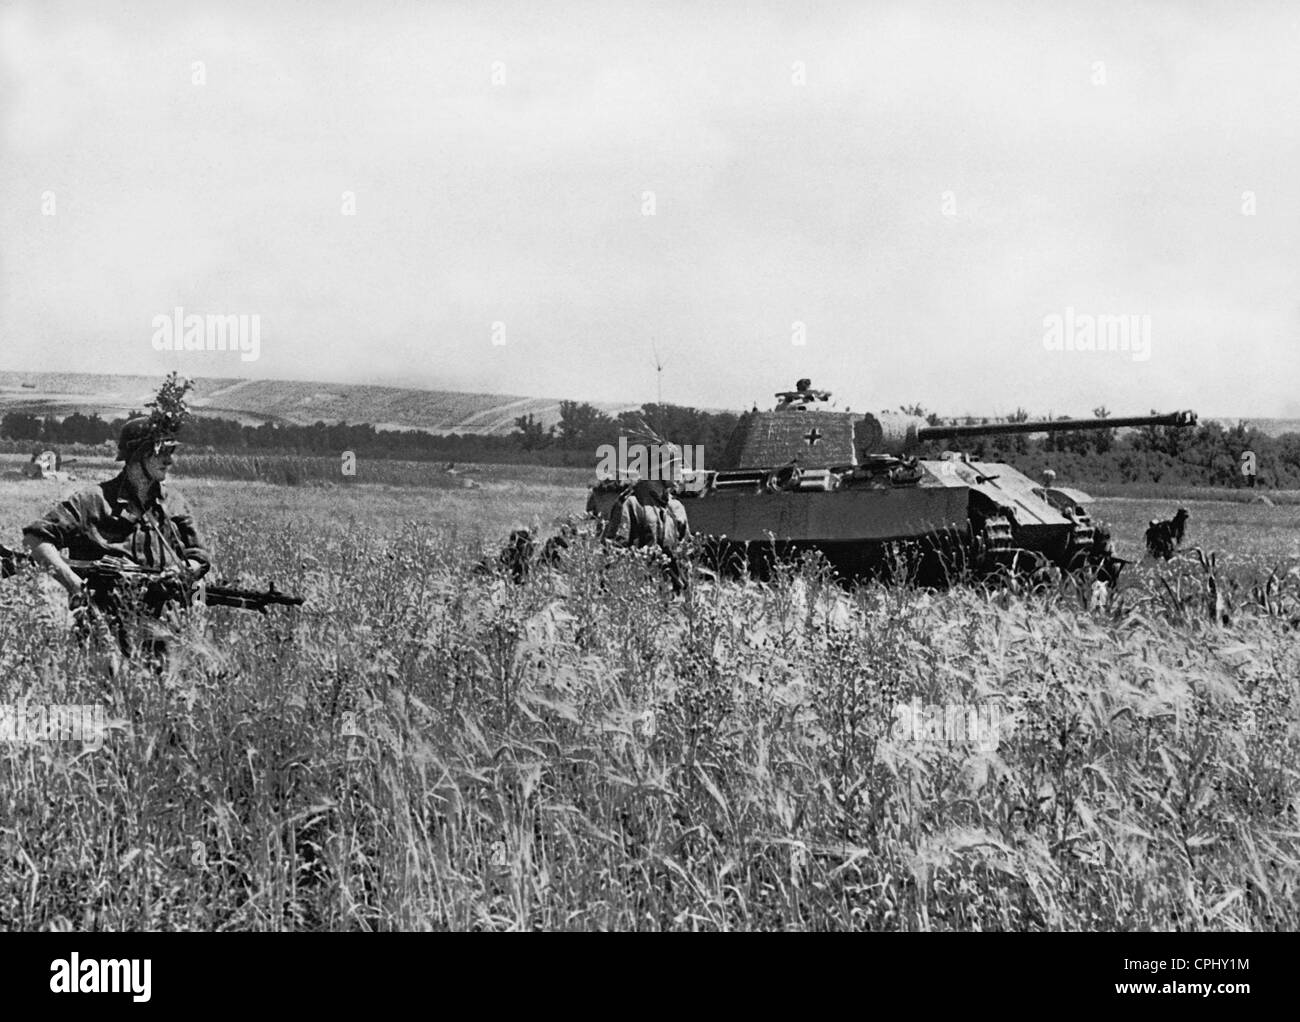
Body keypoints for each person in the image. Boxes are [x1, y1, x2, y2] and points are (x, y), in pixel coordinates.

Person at [22, 414, 211, 663]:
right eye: (162, 451)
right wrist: (74, 585)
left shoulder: (174, 503)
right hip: (104, 632)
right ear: (138, 454)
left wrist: (191, 584)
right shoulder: (93, 501)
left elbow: (200, 562)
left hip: (164, 634)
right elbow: (36, 539)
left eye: (172, 451)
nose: (170, 460)